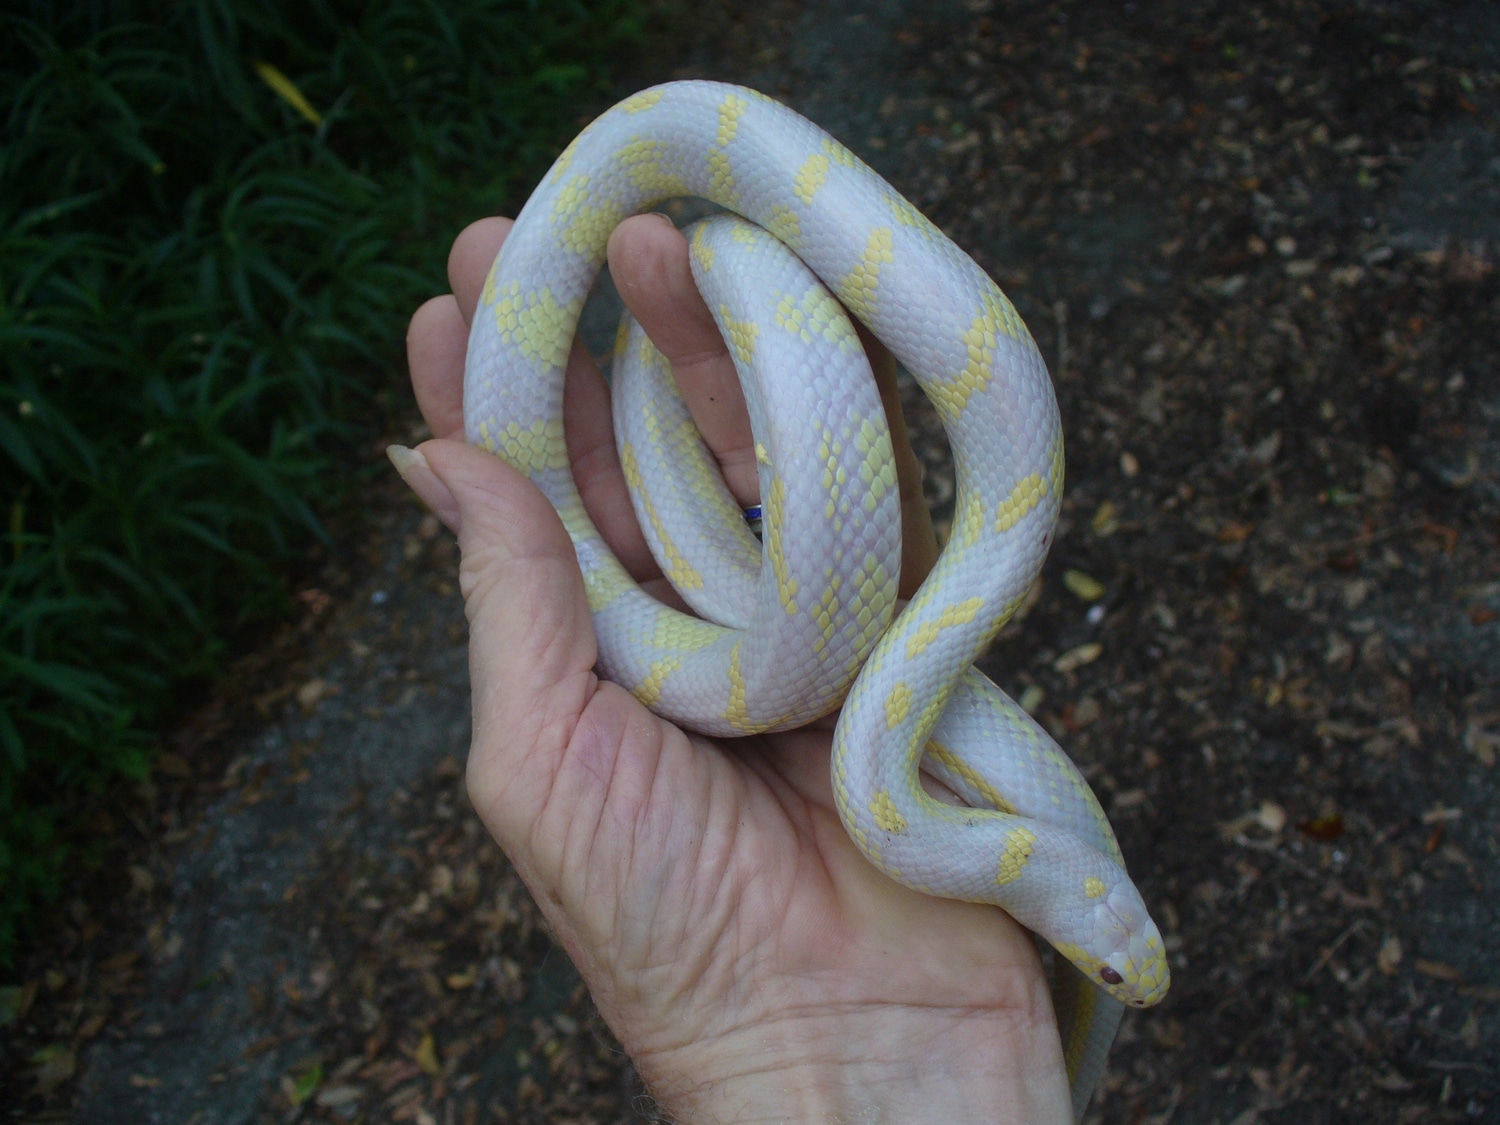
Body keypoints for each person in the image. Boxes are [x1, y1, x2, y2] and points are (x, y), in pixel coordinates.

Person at [389, 213, 1076, 1123]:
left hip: (779, 667)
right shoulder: (909, 804)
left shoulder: (903, 805)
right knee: (694, 261)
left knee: (693, 276)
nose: (1102, 981)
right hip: (775, 653)